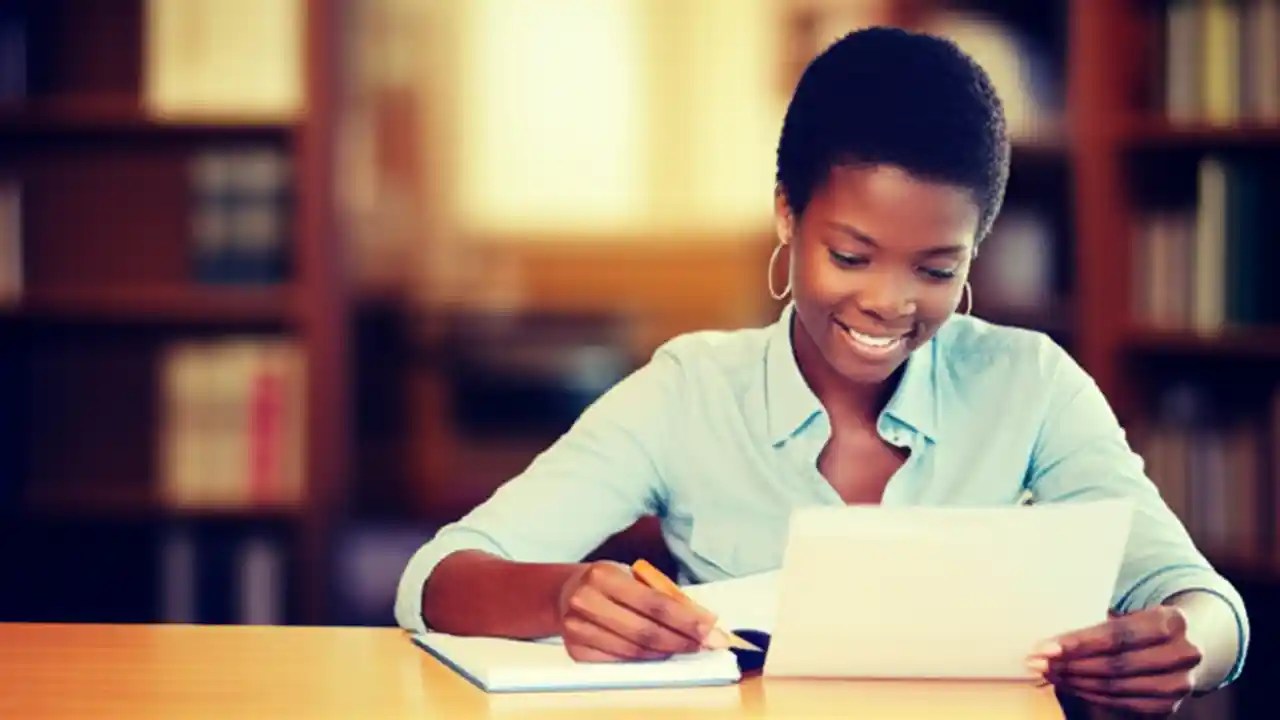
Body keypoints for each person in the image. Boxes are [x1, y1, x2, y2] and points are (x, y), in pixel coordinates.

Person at [396, 27, 1247, 715]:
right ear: (787, 214)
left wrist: (1182, 649)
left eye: (935, 269)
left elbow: (1204, 603)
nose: (888, 301)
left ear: (974, 252)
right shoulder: (691, 389)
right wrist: (563, 597)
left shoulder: (1030, 385)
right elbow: (438, 579)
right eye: (850, 254)